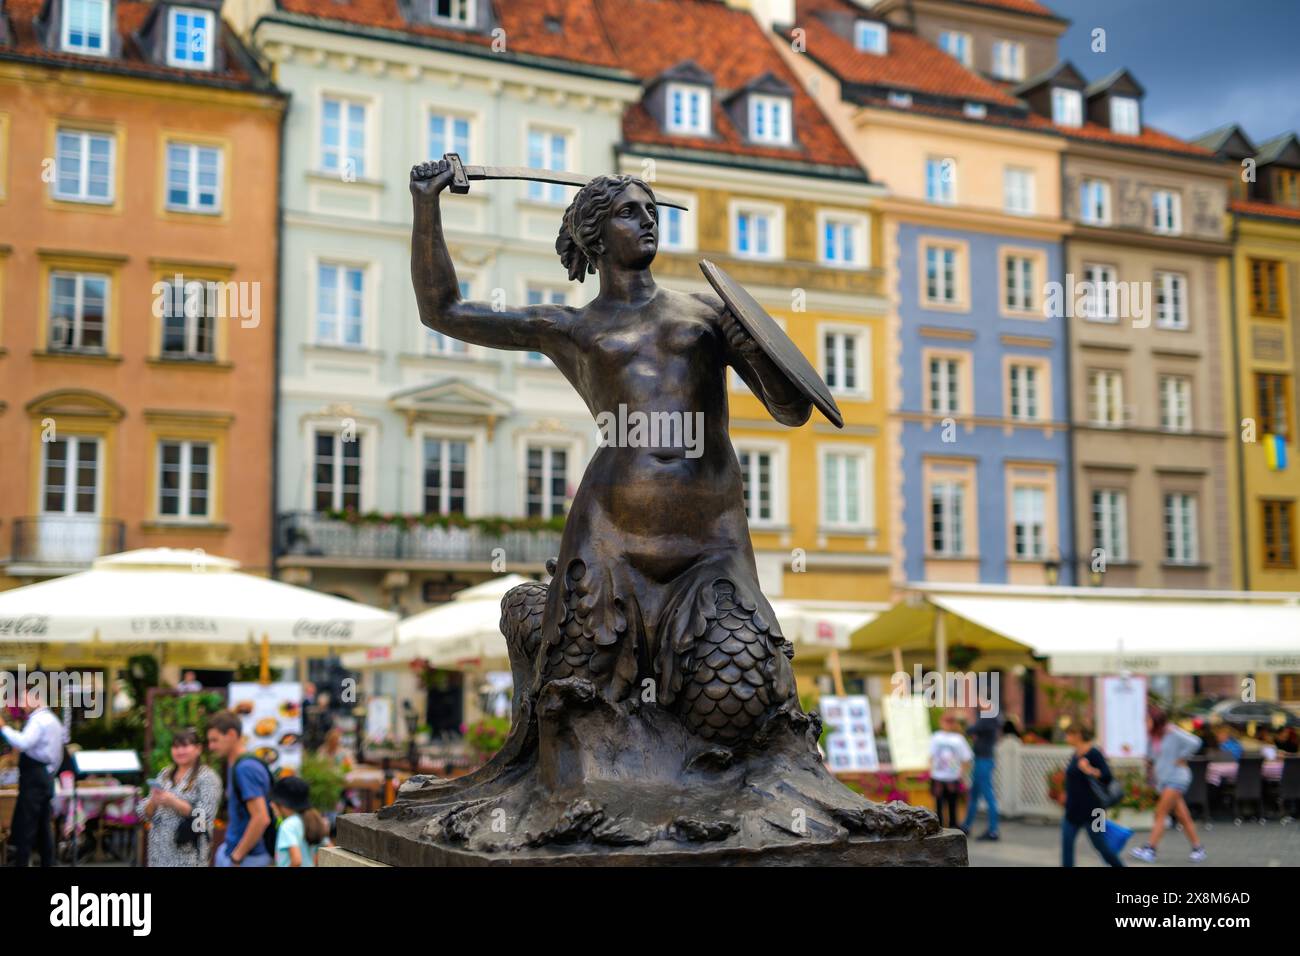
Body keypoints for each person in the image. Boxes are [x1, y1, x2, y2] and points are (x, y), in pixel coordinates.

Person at [1131, 706, 1206, 863]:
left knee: (1160, 813)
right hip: (1164, 780)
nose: (1145, 723)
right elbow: (1150, 757)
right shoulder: (1153, 737)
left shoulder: (1172, 732)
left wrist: (1182, 756)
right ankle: (1198, 848)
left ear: (1156, 720)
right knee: (1183, 816)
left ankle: (1150, 849)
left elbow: (1196, 742)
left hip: (1177, 778)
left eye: (1147, 720)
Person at [0, 684, 64, 867]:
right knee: (44, 828)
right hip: (46, 777)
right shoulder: (52, 720)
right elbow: (57, 756)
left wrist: (3, 728)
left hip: (34, 779)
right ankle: (48, 863)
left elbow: (23, 742)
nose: (21, 704)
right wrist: (48, 773)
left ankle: (22, 863)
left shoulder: (38, 720)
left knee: (26, 827)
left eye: (24, 699)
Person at [138, 728, 222, 867]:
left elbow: (205, 818)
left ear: (198, 748)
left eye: (185, 746)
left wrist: (174, 803)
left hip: (188, 853)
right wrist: (153, 801)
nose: (180, 751)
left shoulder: (207, 776)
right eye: (176, 747)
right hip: (159, 853)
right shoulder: (165, 773)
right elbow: (143, 813)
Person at [206, 710, 274, 867]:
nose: (211, 746)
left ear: (231, 734)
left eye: (215, 740)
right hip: (234, 851)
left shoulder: (245, 768)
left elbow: (261, 818)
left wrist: (237, 857)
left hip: (248, 857)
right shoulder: (236, 764)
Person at [1060, 723, 1123, 867]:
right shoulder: (1075, 754)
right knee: (1067, 845)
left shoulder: (1094, 753)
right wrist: (1065, 793)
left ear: (1078, 735)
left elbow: (1107, 776)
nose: (1066, 738)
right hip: (1073, 810)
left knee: (1101, 846)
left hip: (1095, 811)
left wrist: (1089, 770)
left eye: (1069, 734)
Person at [270, 776, 330, 867]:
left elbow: (296, 860)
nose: (271, 804)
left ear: (283, 803)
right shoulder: (312, 819)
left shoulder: (288, 826)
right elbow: (329, 847)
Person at [928, 711, 972, 830]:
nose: (947, 724)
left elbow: (966, 758)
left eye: (950, 722)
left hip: (952, 777)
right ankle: (939, 828)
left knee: (953, 805)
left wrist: (961, 773)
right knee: (939, 806)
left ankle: (953, 828)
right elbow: (930, 756)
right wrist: (931, 770)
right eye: (945, 721)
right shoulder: (936, 737)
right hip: (938, 776)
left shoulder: (958, 739)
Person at [961, 708, 1000, 840]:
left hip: (983, 761)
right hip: (981, 760)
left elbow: (970, 730)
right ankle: (966, 825)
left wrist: (969, 724)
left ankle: (993, 830)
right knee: (974, 794)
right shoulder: (990, 718)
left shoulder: (988, 718)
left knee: (988, 795)